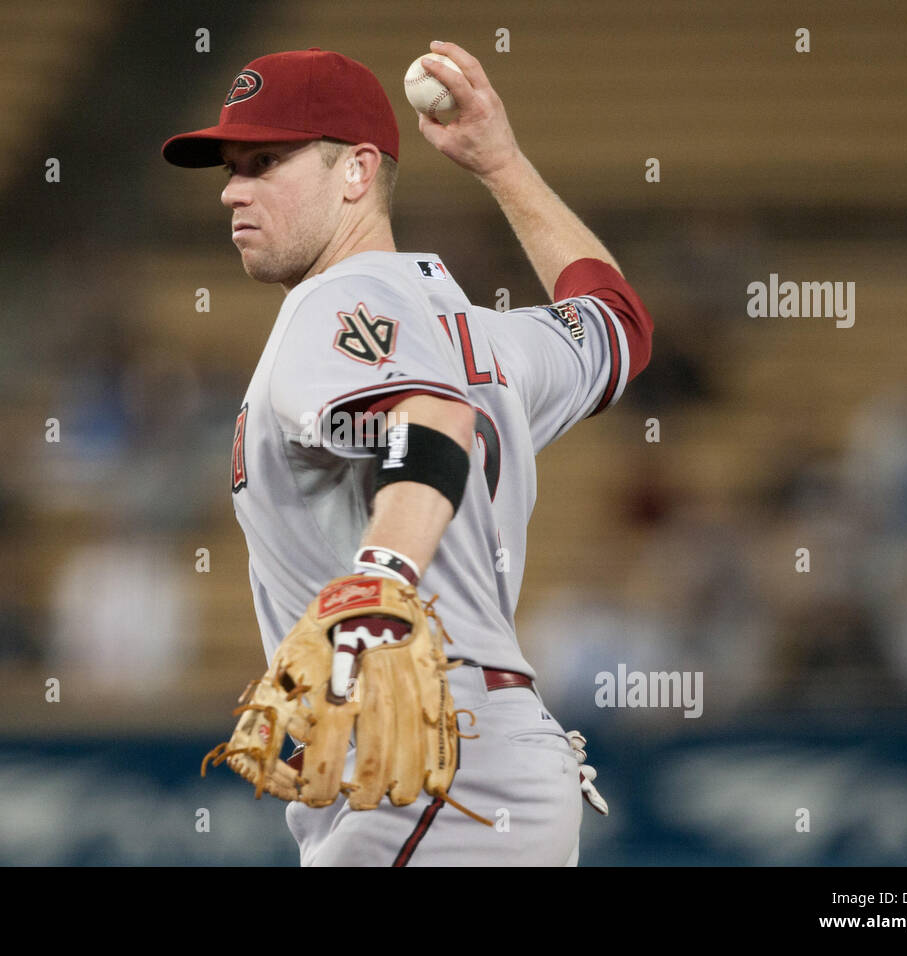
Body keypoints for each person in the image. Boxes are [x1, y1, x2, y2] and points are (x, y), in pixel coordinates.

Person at [162, 42, 653, 866]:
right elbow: (616, 324)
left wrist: (381, 580)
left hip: (438, 770)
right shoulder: (488, 334)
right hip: (481, 763)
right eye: (231, 167)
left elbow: (431, 415)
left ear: (355, 172)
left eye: (265, 162)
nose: (231, 190)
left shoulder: (336, 302)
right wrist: (503, 165)